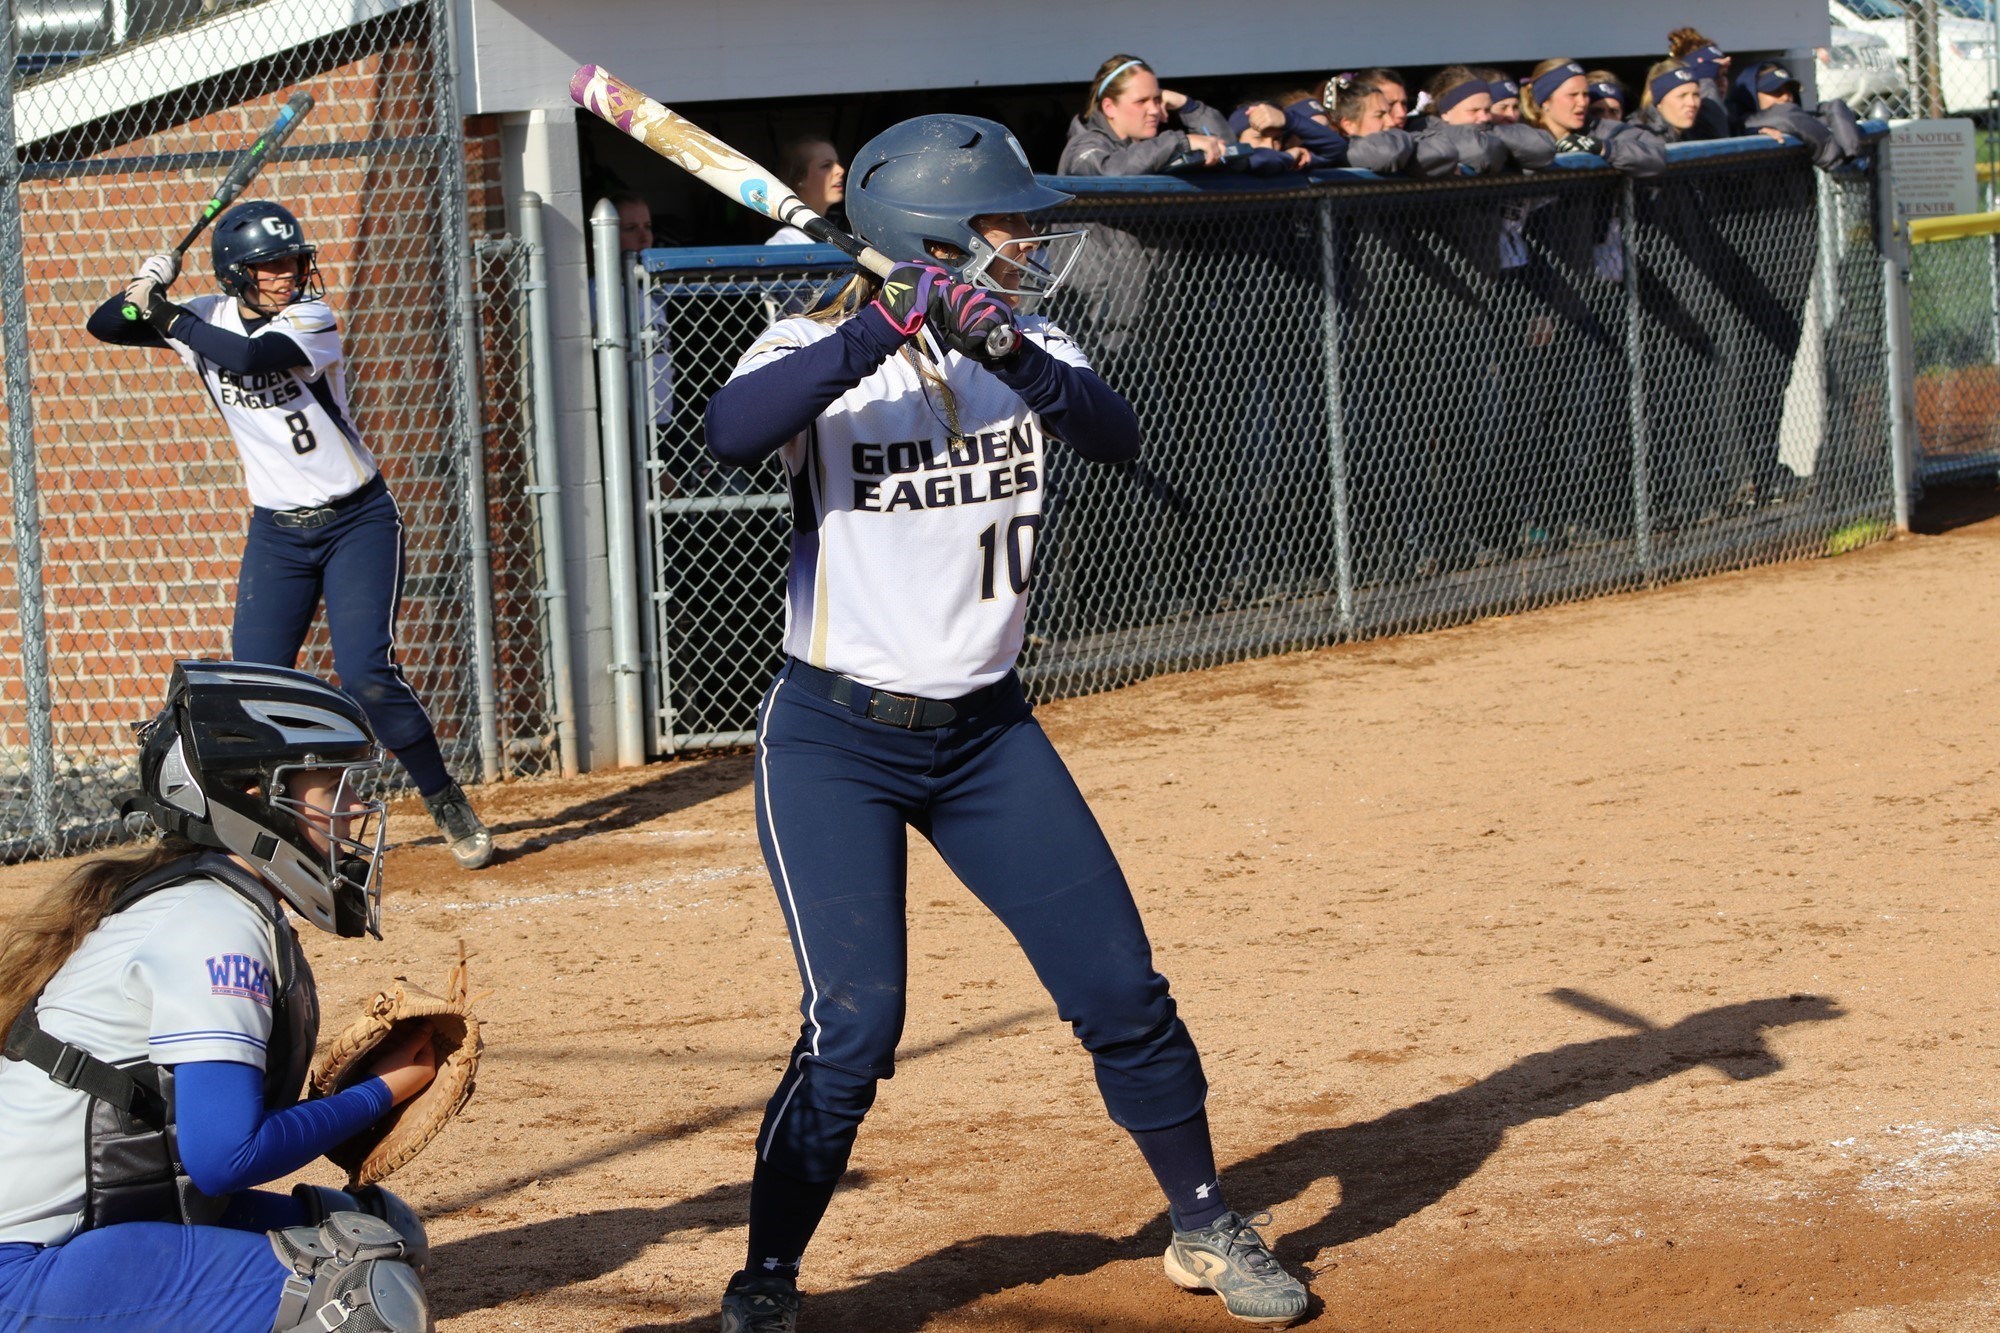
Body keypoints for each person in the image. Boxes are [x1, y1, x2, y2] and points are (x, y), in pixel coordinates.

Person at [701, 113, 1312, 1332]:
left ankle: (1198, 1222)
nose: (1028, 242)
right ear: (930, 237)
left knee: (1121, 988)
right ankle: (766, 1274)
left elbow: (1112, 434)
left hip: (986, 735)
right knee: (855, 1027)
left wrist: (1008, 350)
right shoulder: (805, 341)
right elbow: (728, 431)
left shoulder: (1029, 334)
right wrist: (880, 331)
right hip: (836, 740)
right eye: (1003, 225)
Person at [0, 661, 438, 1330]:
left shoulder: (211, 900)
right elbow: (223, 1155)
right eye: (333, 787)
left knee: (376, 1227)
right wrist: (379, 1092)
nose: (353, 808)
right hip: (23, 1268)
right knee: (358, 1297)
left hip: (83, 1233)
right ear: (257, 794)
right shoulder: (213, 920)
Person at [83, 202, 494, 870]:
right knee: (255, 687)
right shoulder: (203, 318)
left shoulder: (310, 319)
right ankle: (288, 820)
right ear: (236, 275)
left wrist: (163, 311)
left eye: (295, 261)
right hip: (278, 532)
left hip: (356, 519)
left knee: (367, 673)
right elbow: (104, 323)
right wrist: (147, 282)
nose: (289, 275)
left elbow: (249, 357)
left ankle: (444, 797)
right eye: (271, 266)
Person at [1059, 54, 1230, 175]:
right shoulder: (1083, 145)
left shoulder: (1153, 148)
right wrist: (1182, 142)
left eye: (1157, 99)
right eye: (1141, 101)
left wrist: (1188, 107)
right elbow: (1112, 170)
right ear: (1109, 108)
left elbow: (1230, 154)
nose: (1154, 110)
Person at [1522, 59, 1666, 174]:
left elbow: (1655, 153)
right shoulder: (1522, 132)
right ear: (1546, 101)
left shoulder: (1600, 129)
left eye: (1585, 94)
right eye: (1572, 95)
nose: (1582, 102)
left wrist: (1604, 148)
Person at [765, 137, 847, 244]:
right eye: (826, 165)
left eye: (837, 163)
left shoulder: (847, 238)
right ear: (799, 178)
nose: (840, 170)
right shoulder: (782, 243)